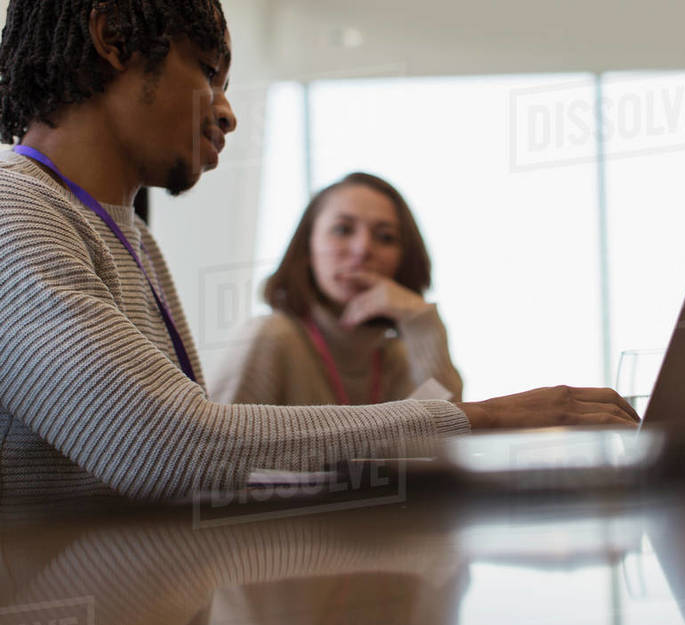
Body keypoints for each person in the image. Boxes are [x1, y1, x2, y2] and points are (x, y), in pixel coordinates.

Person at [0, 0, 636, 502]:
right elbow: (168, 448)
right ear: (114, 39)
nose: (226, 112)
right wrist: (482, 420)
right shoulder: (14, 213)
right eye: (208, 72)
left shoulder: (131, 238)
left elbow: (202, 474)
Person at [212, 173, 464, 406]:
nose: (363, 249)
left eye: (385, 237)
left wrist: (421, 320)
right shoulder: (272, 337)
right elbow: (213, 449)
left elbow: (443, 432)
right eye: (343, 230)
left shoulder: (398, 357)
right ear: (308, 248)